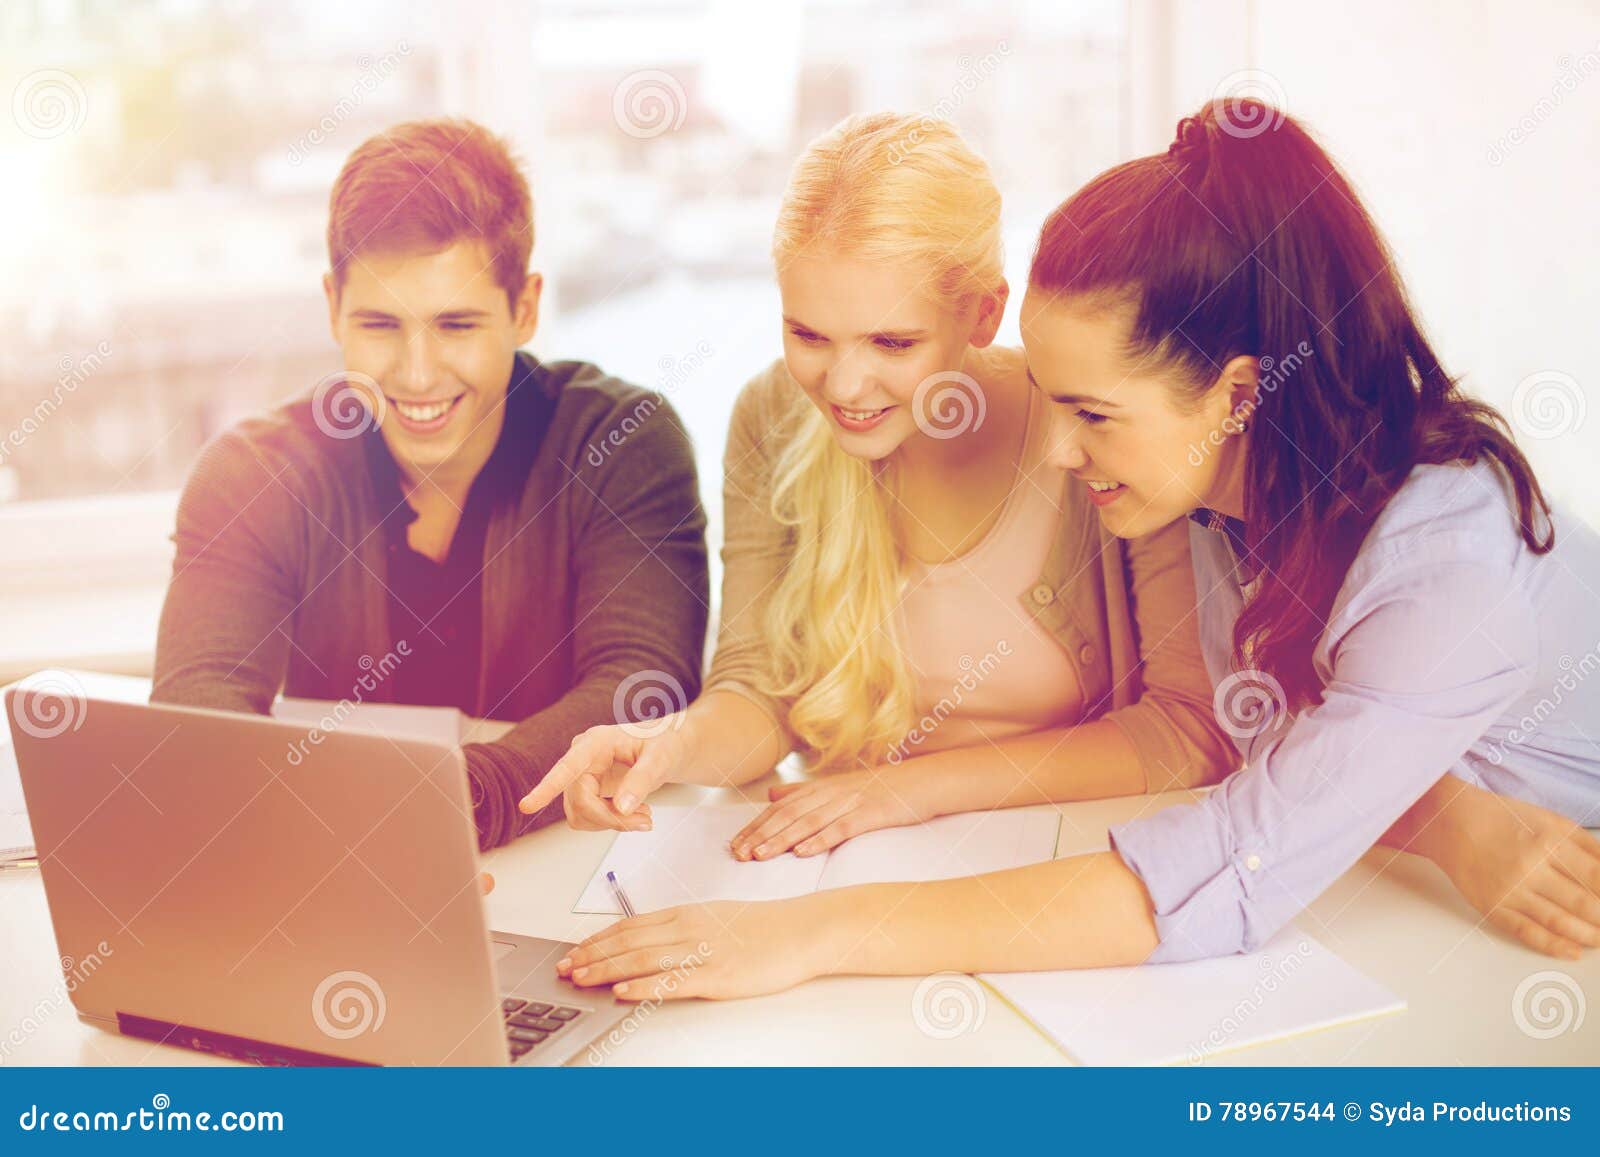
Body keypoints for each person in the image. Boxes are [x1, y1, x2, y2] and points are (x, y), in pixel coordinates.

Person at [548, 101, 1600, 1001]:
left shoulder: (1441, 571)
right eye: (1051, 402)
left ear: (1237, 393)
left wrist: (809, 936)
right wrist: (1444, 811)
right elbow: (1292, 739)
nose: (1056, 449)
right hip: (1433, 914)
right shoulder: (1225, 490)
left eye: (1091, 413)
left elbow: (1212, 870)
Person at [521, 110, 1236, 863]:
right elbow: (757, 695)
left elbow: (1187, 730)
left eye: (894, 342)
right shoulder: (772, 414)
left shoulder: (1090, 424)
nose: (845, 385)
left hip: (1067, 863)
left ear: (984, 313)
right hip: (850, 860)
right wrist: (666, 743)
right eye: (809, 335)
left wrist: (909, 790)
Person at [151, 118, 709, 850]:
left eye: (456, 325)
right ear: (332, 307)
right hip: (333, 868)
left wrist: (453, 807)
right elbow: (200, 713)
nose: (416, 374)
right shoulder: (252, 474)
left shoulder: (622, 441)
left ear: (526, 308)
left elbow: (642, 683)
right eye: (380, 324)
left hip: (567, 860)